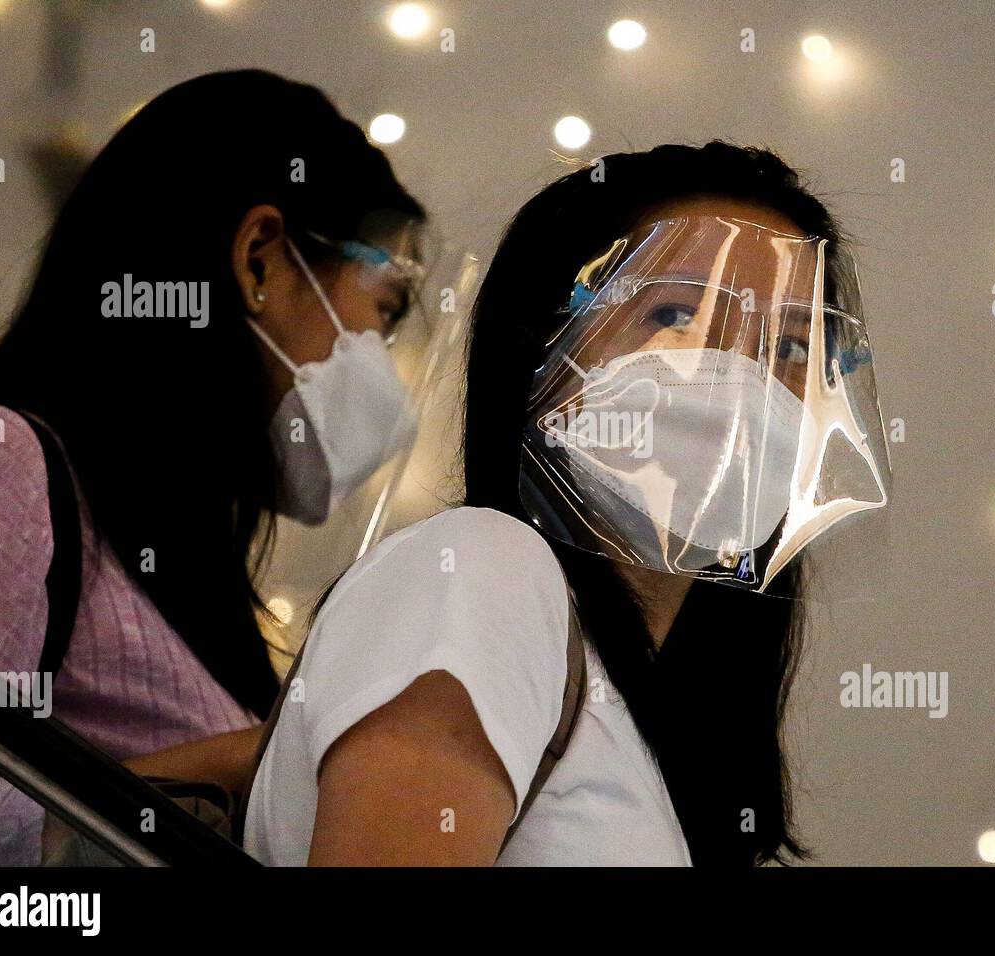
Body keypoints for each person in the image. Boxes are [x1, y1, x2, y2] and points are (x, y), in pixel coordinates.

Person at [243, 141, 891, 866]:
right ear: (546, 353)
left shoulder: (634, 718)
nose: (739, 371)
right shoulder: (485, 569)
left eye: (794, 347)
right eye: (676, 313)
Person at [0, 69, 429, 864]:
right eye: (380, 311)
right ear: (259, 260)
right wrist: (234, 767)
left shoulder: (162, 553)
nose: (381, 367)